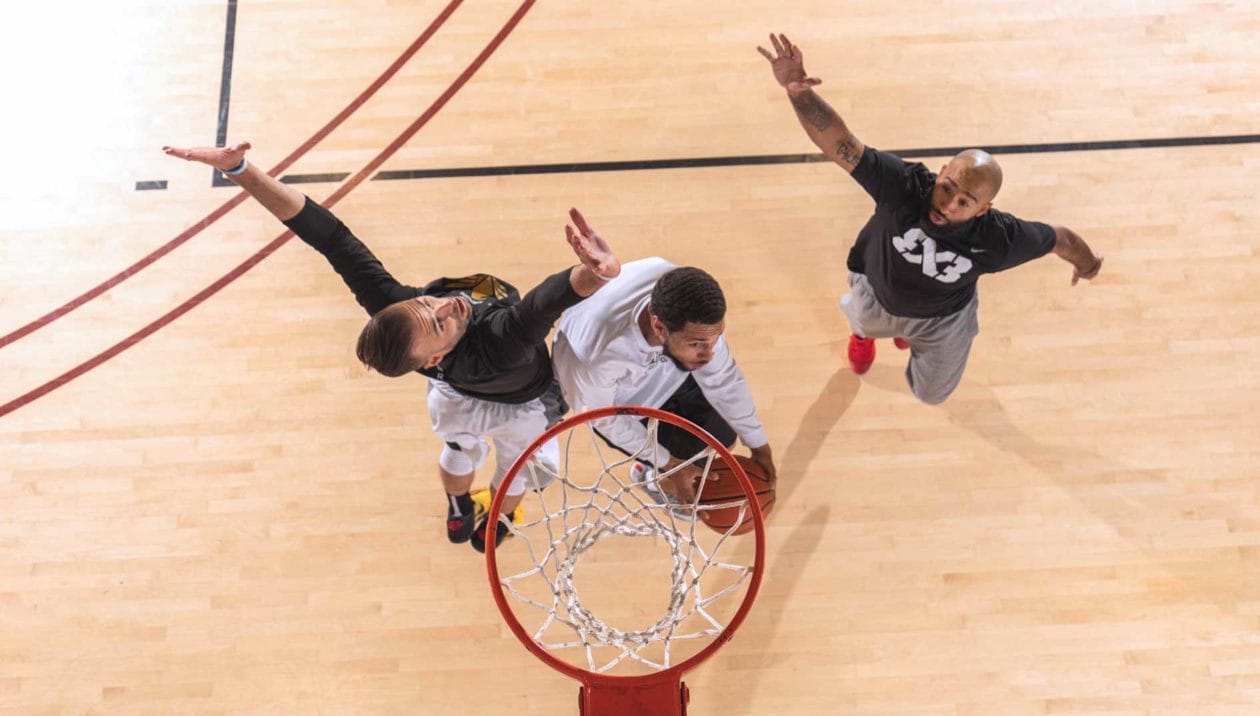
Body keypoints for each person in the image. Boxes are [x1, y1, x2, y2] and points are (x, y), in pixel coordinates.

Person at [163, 141, 620, 551]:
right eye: (440, 323)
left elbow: (326, 235)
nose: (450, 306)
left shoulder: (398, 315)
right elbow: (543, 302)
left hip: (455, 398)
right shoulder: (499, 344)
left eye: (429, 301)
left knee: (459, 452)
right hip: (524, 406)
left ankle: (458, 508)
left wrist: (241, 169)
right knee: (514, 474)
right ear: (436, 357)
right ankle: (491, 526)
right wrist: (596, 272)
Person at [758, 33, 1104, 404]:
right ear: (940, 173)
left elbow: (1062, 240)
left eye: (965, 201)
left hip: (943, 319)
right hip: (877, 288)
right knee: (862, 318)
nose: (949, 205)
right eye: (947, 188)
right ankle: (864, 335)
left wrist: (1088, 266)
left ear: (983, 210)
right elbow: (839, 143)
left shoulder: (998, 239)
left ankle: (908, 334)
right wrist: (798, 92)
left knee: (932, 394)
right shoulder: (903, 186)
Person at [552, 257, 776, 512]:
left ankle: (665, 470)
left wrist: (759, 445)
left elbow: (723, 379)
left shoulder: (688, 301)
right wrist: (668, 463)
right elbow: (606, 420)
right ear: (658, 326)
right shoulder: (594, 358)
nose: (709, 354)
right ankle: (650, 479)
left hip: (673, 367)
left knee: (723, 443)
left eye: (715, 338)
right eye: (697, 344)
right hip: (625, 405)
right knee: (680, 472)